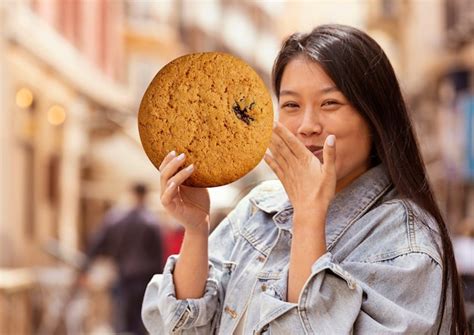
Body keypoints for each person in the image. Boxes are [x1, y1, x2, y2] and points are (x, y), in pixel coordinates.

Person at [142, 24, 468, 334]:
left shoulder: (407, 243)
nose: (307, 125)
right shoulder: (257, 209)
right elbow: (179, 329)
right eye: (292, 105)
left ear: (374, 116)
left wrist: (310, 216)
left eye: (330, 103)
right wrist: (197, 229)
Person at [80, 183, 164, 335]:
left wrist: (85, 268)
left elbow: (96, 244)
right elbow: (158, 255)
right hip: (146, 280)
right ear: (145, 196)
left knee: (122, 323)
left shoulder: (115, 219)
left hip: (123, 277)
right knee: (142, 323)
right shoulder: (152, 222)